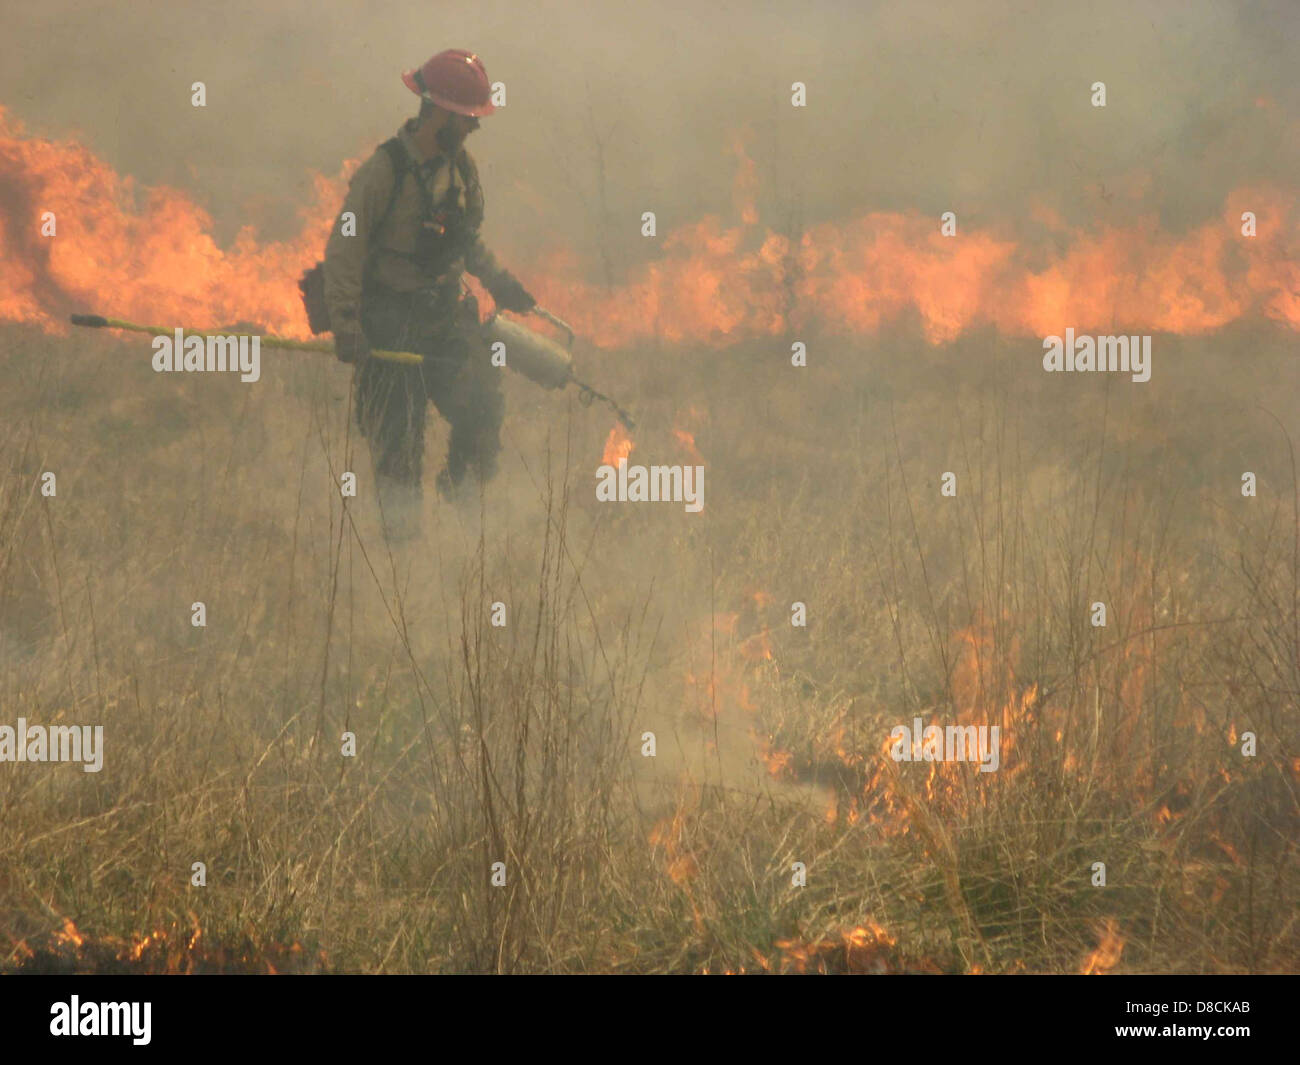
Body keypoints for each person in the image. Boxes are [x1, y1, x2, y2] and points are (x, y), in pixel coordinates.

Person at [323, 49, 536, 539]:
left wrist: (500, 280)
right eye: (466, 119)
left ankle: (463, 519)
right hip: (390, 324)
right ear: (437, 112)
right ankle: (401, 567)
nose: (473, 129)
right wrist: (347, 324)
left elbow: (465, 239)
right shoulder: (385, 171)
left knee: (482, 411)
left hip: (445, 321)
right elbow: (345, 248)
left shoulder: (462, 170)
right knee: (398, 452)